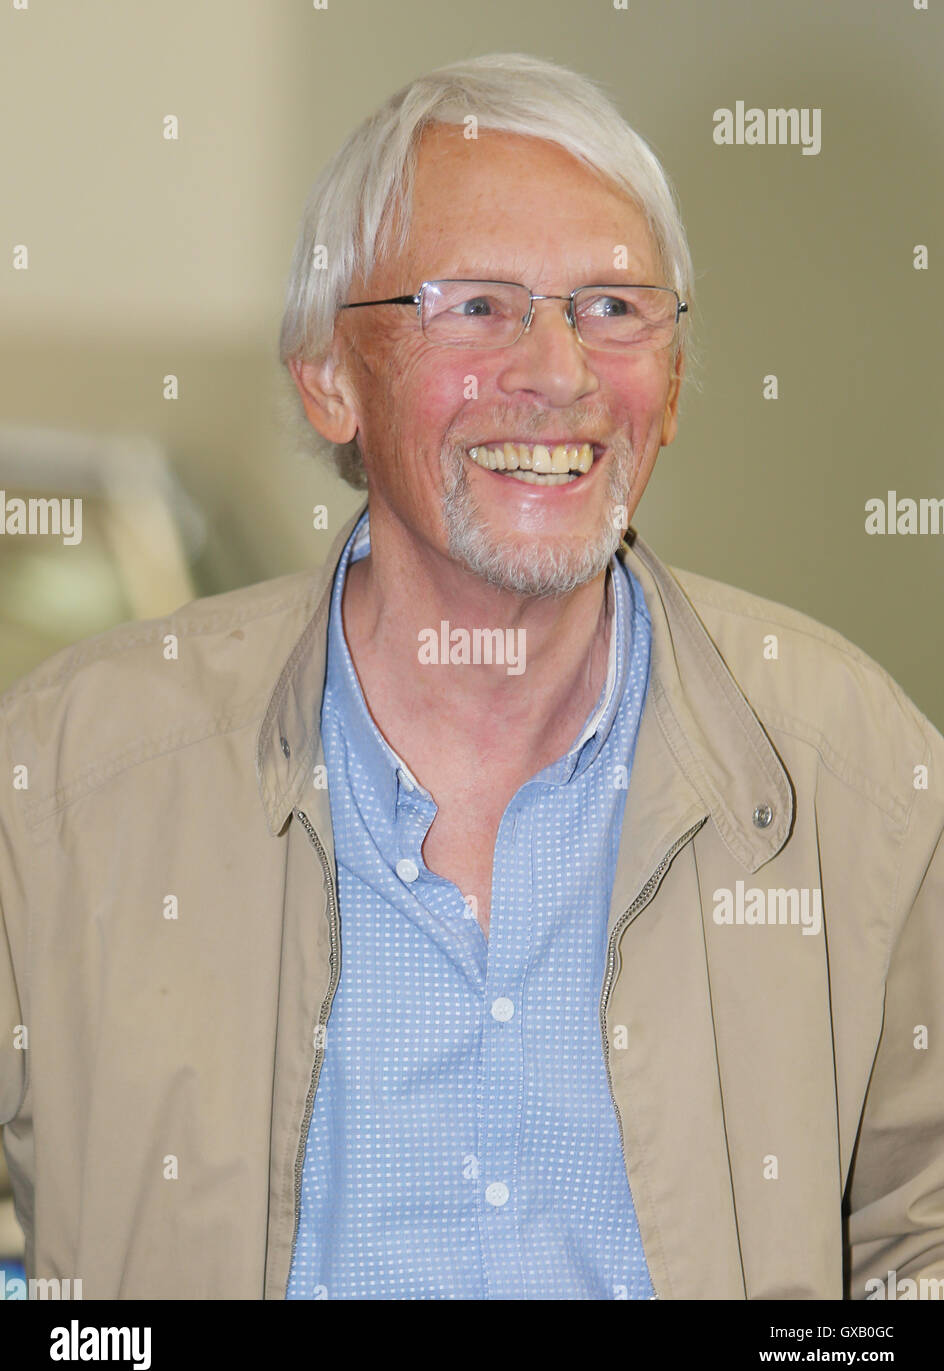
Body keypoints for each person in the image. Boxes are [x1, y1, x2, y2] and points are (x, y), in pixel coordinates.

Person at [1, 53, 942, 1302]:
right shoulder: (64, 785)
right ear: (328, 375)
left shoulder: (858, 777)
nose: (557, 372)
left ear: (668, 385)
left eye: (611, 307)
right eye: (478, 305)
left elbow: (919, 1238)